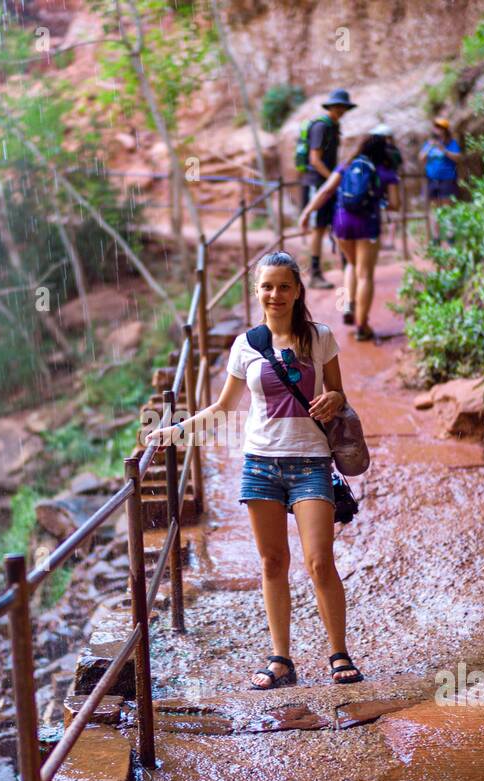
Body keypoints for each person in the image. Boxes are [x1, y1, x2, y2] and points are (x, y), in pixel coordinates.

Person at [146, 251, 363, 689]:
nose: (275, 294)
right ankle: (280, 659)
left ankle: (338, 653)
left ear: (298, 290)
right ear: (257, 291)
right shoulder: (246, 345)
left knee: (320, 561)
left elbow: (338, 391)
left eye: (284, 286)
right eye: (267, 286)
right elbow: (223, 408)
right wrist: (173, 432)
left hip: (311, 462)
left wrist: (336, 399)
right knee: (272, 562)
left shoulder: (320, 337)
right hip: (261, 463)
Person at [298, 125, 401, 341]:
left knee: (350, 264)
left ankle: (347, 306)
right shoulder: (386, 171)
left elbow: (326, 190)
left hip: (341, 222)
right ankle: (362, 326)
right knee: (365, 274)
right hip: (367, 224)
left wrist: (307, 212)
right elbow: (395, 204)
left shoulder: (346, 166)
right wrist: (378, 202)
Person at [297, 89, 357, 290]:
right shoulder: (322, 127)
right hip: (316, 182)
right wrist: (334, 178)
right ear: (331, 106)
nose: (341, 110)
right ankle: (315, 274)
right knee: (318, 227)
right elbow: (315, 159)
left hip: (327, 182)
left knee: (336, 222)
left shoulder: (334, 126)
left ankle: (347, 266)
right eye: (338, 106)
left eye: (344, 107)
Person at [419, 117, 461, 246]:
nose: (437, 129)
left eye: (440, 127)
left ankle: (450, 237)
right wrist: (430, 146)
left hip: (447, 179)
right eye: (436, 127)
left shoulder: (451, 143)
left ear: (445, 130)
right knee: (434, 209)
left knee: (447, 208)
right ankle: (436, 238)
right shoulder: (429, 143)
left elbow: (458, 158)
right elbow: (421, 159)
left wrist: (444, 150)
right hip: (432, 180)